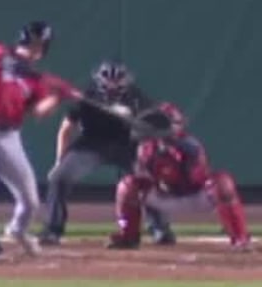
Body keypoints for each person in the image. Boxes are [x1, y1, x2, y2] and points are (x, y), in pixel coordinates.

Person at [0, 20, 77, 262]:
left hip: (8, 136)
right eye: (33, 42)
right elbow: (14, 65)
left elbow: (39, 112)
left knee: (30, 199)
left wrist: (59, 96)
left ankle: (17, 230)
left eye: (39, 44)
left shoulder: (36, 82)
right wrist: (51, 81)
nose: (35, 48)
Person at [41, 60, 174, 248]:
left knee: (148, 178)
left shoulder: (135, 98)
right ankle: (53, 230)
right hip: (90, 145)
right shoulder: (87, 96)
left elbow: (153, 127)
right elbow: (65, 129)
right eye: (108, 81)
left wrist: (135, 123)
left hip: (125, 144)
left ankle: (160, 227)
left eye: (117, 81)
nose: (113, 86)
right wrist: (59, 161)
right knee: (58, 178)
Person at [110, 104, 252, 251]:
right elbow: (144, 184)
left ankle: (240, 237)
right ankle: (127, 234)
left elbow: (194, 173)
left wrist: (169, 141)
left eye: (174, 124)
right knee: (126, 186)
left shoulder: (190, 144)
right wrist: (157, 225)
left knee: (223, 182)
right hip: (166, 197)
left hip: (197, 196)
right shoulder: (146, 149)